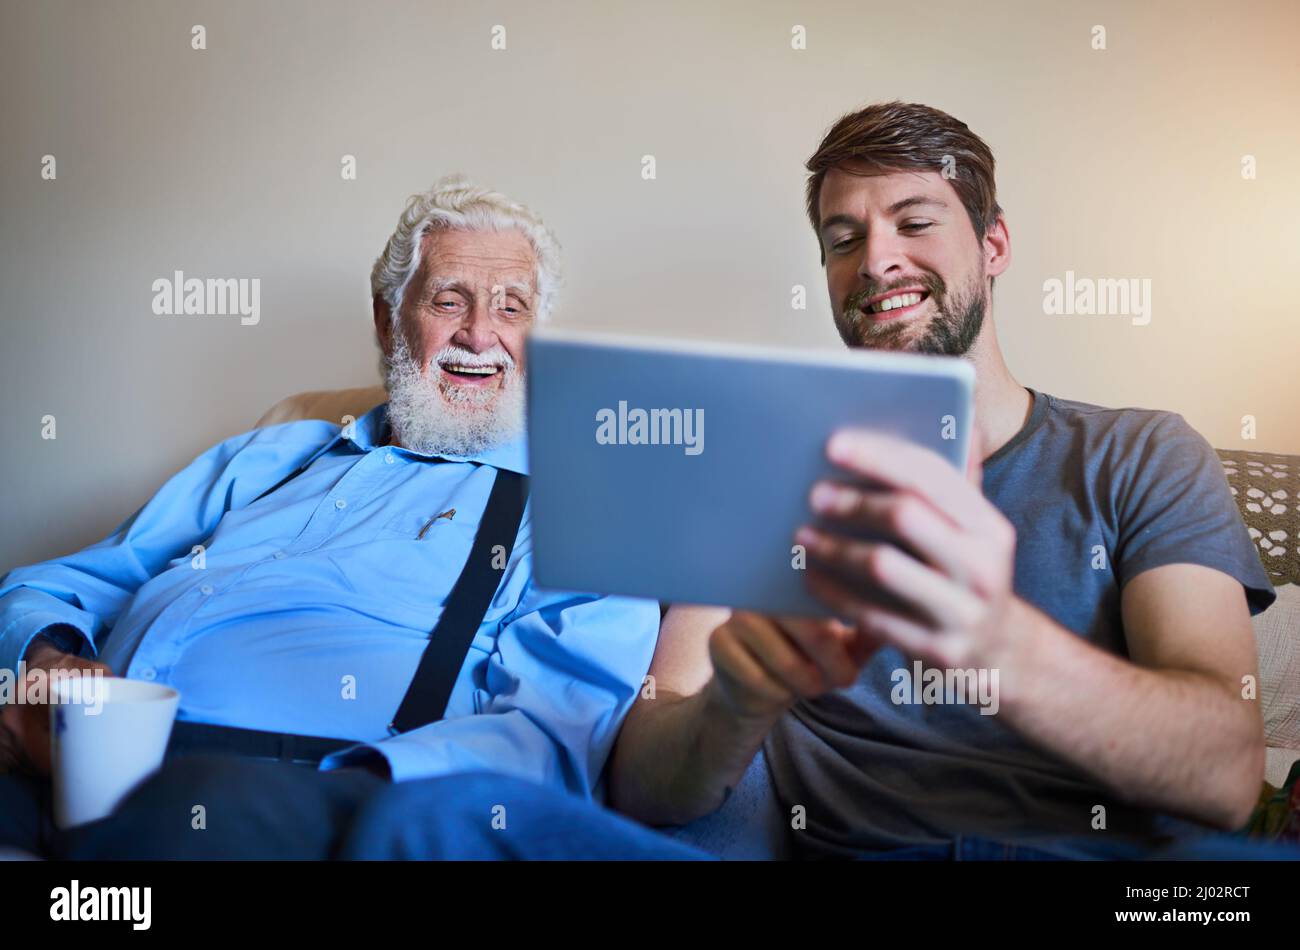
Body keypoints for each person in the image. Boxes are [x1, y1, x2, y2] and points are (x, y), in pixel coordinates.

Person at [608, 101, 1281, 860]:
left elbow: (1224, 774)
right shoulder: (760, 478)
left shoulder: (1142, 453)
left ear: (994, 243)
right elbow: (639, 781)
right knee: (470, 812)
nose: (874, 260)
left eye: (914, 222)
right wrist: (733, 705)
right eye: (843, 239)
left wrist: (991, 639)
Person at [0, 176, 664, 859]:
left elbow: (547, 738)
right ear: (387, 318)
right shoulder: (267, 457)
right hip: (64, 765)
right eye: (449, 300)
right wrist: (47, 661)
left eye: (511, 308)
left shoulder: (584, 511)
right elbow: (52, 586)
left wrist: (337, 796)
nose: (479, 333)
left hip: (279, 801)